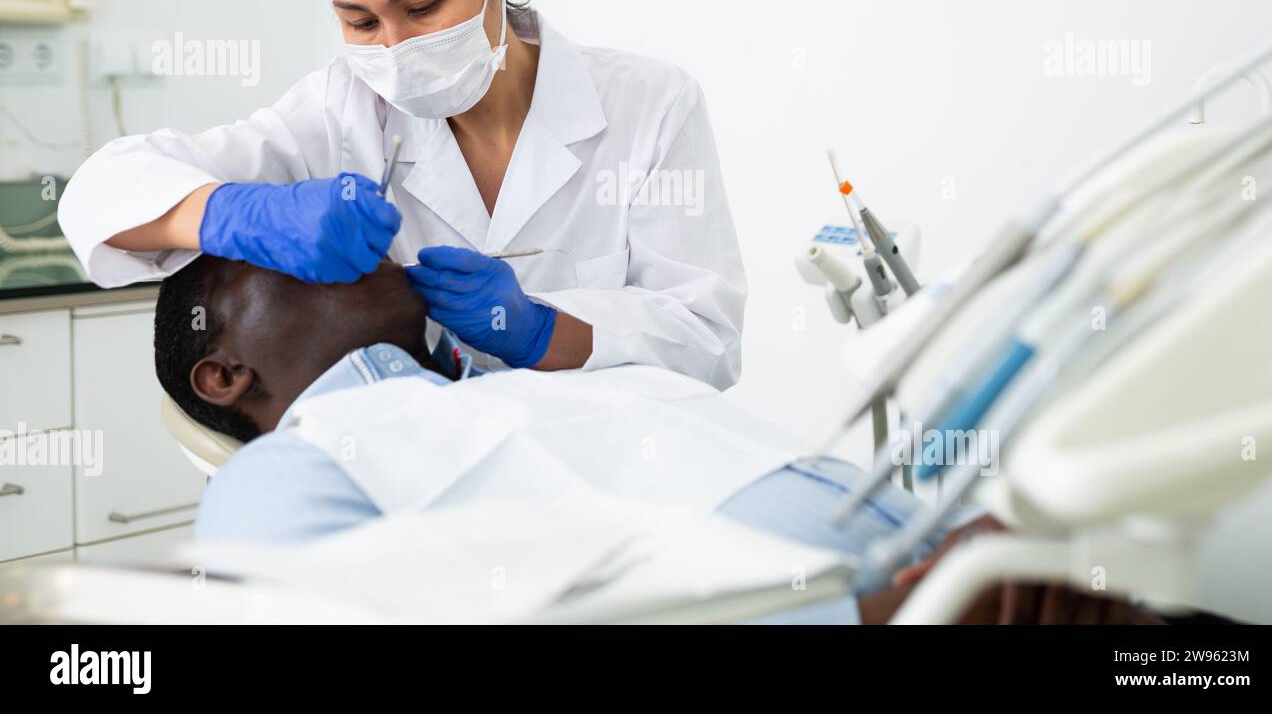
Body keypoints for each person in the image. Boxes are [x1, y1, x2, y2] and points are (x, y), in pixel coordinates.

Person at [58, 0, 745, 386]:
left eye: (421, 6)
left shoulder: (650, 104)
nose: (392, 47)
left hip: (614, 466)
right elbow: (99, 194)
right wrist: (238, 212)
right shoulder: (340, 110)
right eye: (360, 21)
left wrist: (540, 330)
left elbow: (707, 342)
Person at [156, 254, 1160, 624]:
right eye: (273, 253)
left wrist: (964, 518)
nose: (332, 239)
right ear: (224, 371)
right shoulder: (284, 469)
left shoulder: (548, 385)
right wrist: (868, 607)